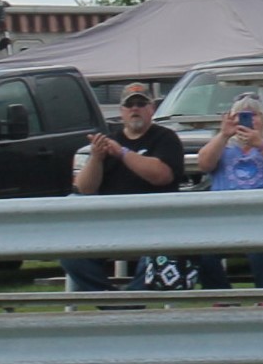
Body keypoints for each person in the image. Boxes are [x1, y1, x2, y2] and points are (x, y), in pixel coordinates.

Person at [61, 82, 185, 293]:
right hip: (111, 225)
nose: (135, 109)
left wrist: (123, 154)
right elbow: (84, 188)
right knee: (71, 256)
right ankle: (111, 303)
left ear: (151, 109)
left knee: (155, 258)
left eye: (141, 104)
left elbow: (161, 176)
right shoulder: (109, 141)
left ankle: (130, 304)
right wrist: (96, 159)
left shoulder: (166, 138)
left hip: (156, 224)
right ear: (122, 112)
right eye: (130, 105)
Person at [195, 94, 263, 290]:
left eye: (254, 115)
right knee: (200, 251)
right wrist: (224, 135)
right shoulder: (223, 145)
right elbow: (204, 163)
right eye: (242, 115)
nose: (248, 119)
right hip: (225, 219)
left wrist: (260, 144)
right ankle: (221, 297)